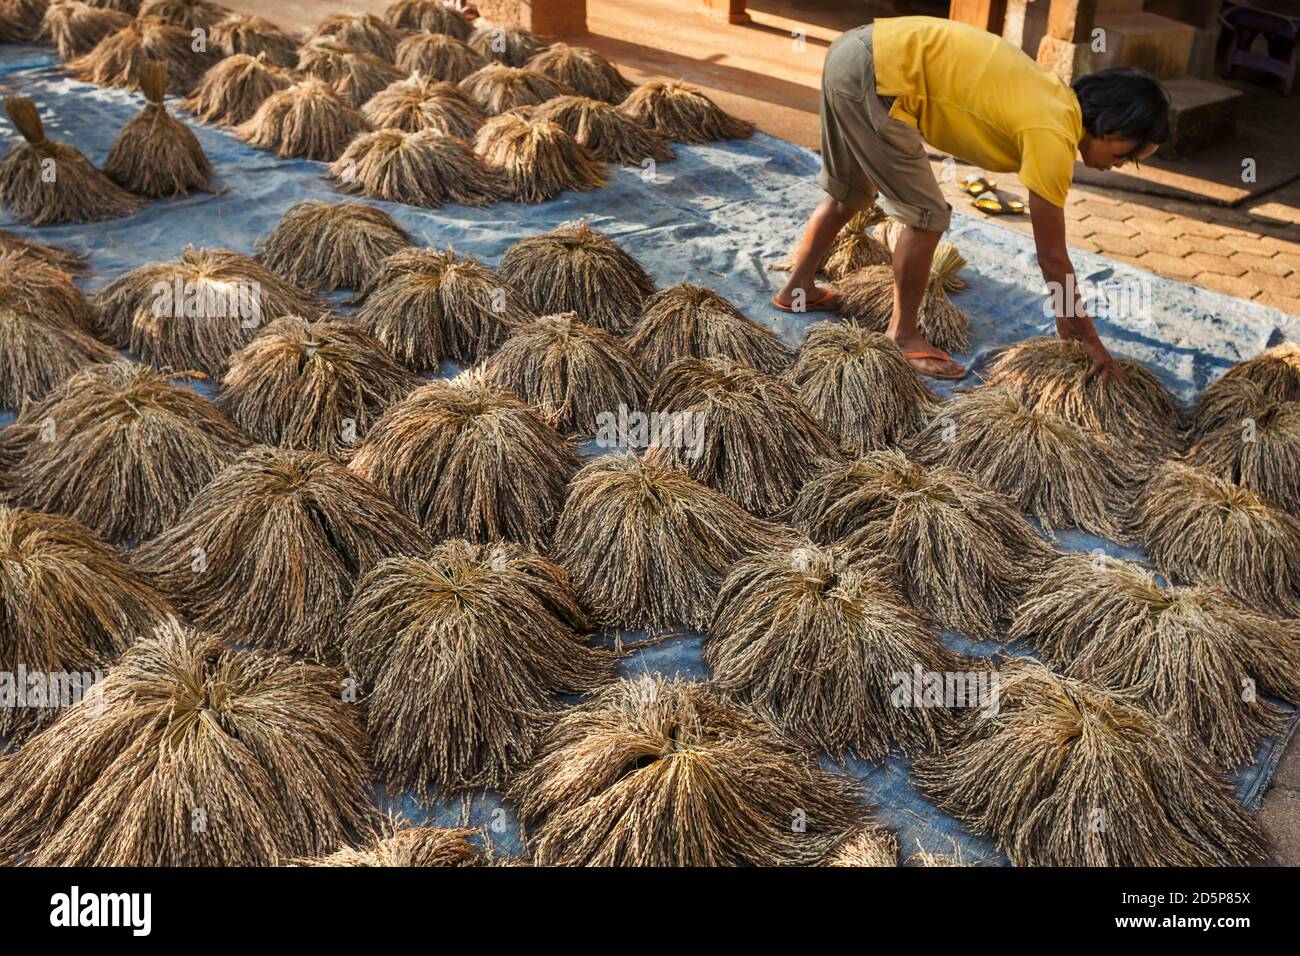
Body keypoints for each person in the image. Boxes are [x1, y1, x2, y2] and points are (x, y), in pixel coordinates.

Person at [773, 16, 1170, 381]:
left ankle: (797, 289)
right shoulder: (1054, 133)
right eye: (1126, 154)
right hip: (879, 76)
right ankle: (903, 336)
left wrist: (1067, 315)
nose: (1120, 165)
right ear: (1111, 123)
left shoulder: (1054, 99)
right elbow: (1052, 255)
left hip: (855, 51)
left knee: (850, 194)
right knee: (927, 215)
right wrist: (1088, 338)